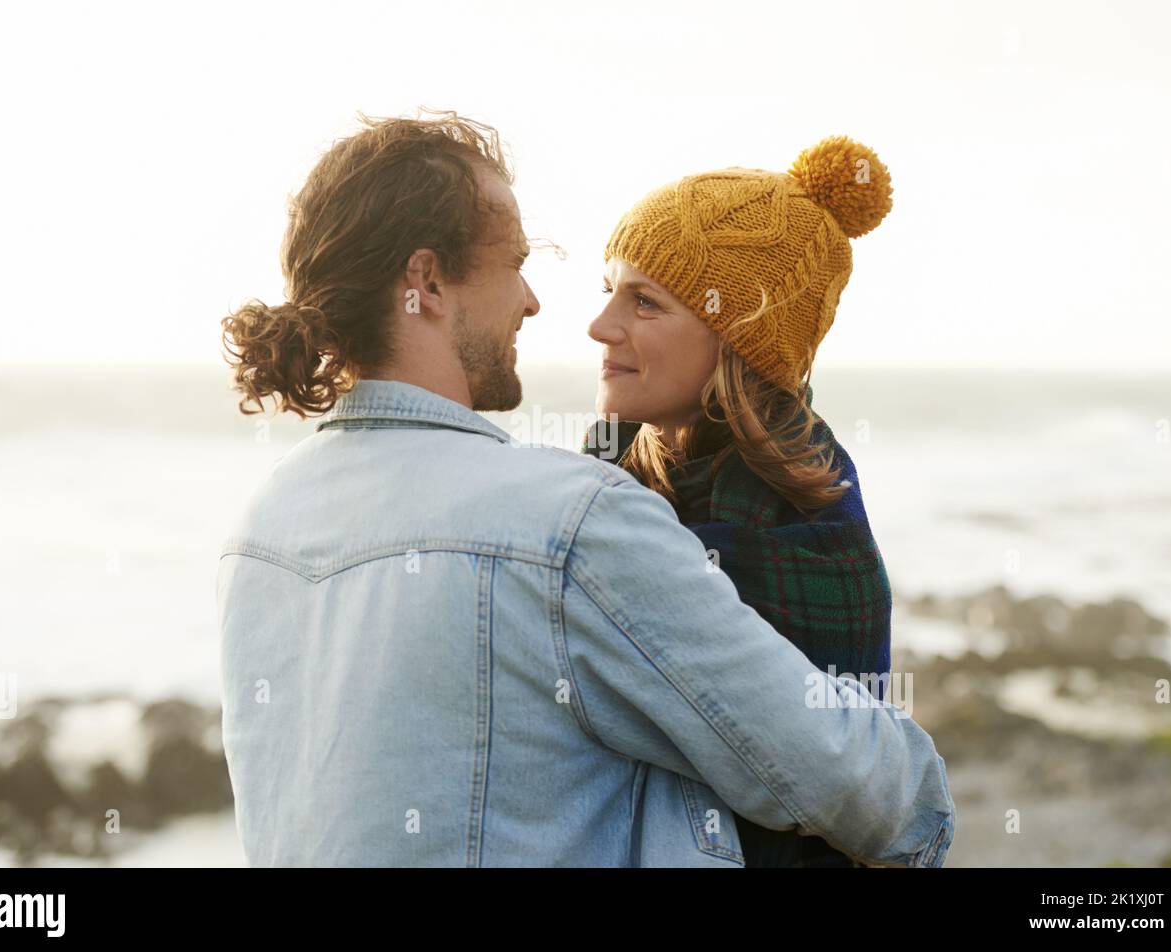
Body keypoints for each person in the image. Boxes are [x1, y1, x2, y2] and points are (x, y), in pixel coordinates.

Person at [216, 110, 954, 866]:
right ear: (427, 282)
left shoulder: (255, 533)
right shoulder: (569, 524)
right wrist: (921, 798)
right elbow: (856, 783)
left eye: (642, 299)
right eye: (516, 261)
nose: (537, 302)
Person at [581, 138, 897, 867]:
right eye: (609, 291)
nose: (601, 327)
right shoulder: (611, 475)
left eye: (645, 301)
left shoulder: (808, 528)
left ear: (737, 340)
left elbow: (828, 785)